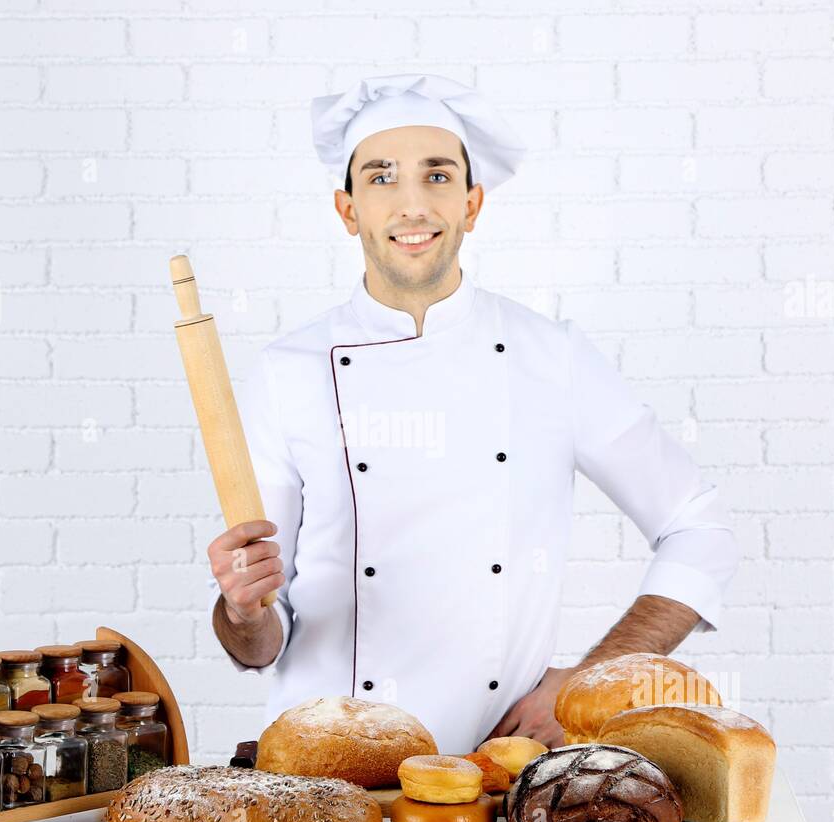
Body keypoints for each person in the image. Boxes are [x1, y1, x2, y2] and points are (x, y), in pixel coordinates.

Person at [205, 74, 738, 755]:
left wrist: (589, 683)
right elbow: (258, 641)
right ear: (347, 209)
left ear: (472, 202)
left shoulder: (553, 357)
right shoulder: (287, 372)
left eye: (436, 176)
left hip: (494, 772)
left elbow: (700, 526)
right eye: (382, 178)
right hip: (318, 772)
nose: (412, 205)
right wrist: (241, 609)